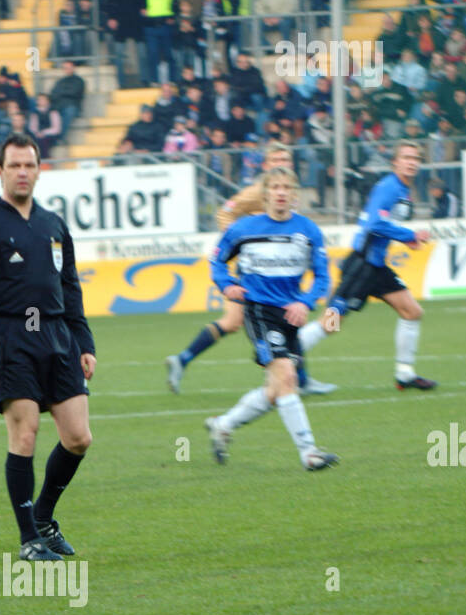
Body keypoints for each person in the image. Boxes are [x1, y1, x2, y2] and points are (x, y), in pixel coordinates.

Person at [0, 132, 95, 562]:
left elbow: (70, 286)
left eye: (28, 165)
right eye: (13, 165)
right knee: (26, 432)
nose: (21, 172)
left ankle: (45, 518)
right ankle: (28, 539)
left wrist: (83, 341)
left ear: (38, 170)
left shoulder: (54, 224)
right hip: (11, 337)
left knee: (78, 437)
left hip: (58, 336)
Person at [166, 144, 336, 395]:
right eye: (277, 158)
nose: (283, 162)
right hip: (253, 273)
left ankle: (296, 377)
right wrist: (242, 241)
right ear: (265, 166)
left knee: (284, 318)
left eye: (287, 158)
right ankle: (184, 359)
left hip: (277, 268)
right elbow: (225, 213)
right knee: (238, 321)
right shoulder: (256, 193)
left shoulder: (289, 191)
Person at [203, 168, 338, 472]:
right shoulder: (243, 229)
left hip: (291, 314)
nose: (280, 192)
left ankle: (223, 425)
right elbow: (216, 260)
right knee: (287, 377)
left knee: (276, 390)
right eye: (275, 187)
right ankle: (309, 453)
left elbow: (322, 276)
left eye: (286, 187)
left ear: (294, 194)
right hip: (259, 311)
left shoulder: (308, 231)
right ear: (265, 195)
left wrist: (304, 302)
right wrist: (227, 285)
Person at [298, 140, 436, 390]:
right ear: (395, 162)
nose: (412, 162)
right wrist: (410, 236)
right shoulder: (389, 187)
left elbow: (383, 226)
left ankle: (405, 374)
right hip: (361, 267)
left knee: (412, 312)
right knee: (330, 324)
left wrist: (405, 239)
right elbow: (374, 224)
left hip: (376, 267)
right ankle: (285, 353)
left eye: (416, 158)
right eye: (406, 157)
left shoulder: (402, 190)